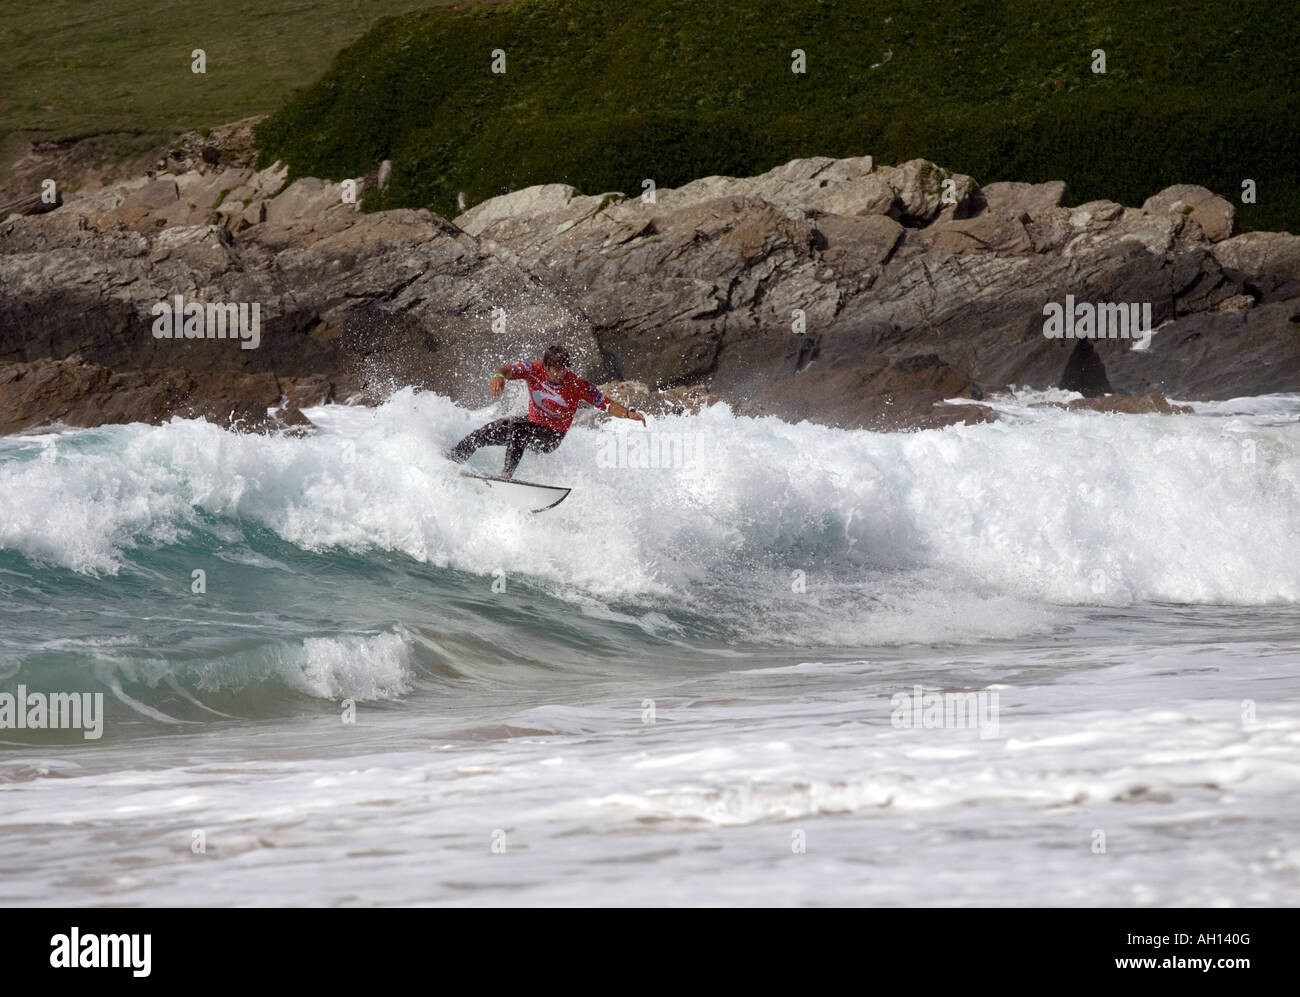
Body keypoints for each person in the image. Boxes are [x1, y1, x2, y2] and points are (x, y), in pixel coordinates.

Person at [447, 345, 645, 477]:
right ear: (546, 366)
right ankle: (451, 461)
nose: (560, 374)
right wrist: (499, 375)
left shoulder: (577, 385)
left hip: (552, 436)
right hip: (530, 424)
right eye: (556, 369)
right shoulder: (533, 369)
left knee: (518, 428)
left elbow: (606, 403)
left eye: (564, 369)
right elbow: (507, 369)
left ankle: (505, 477)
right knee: (484, 433)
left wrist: (628, 413)